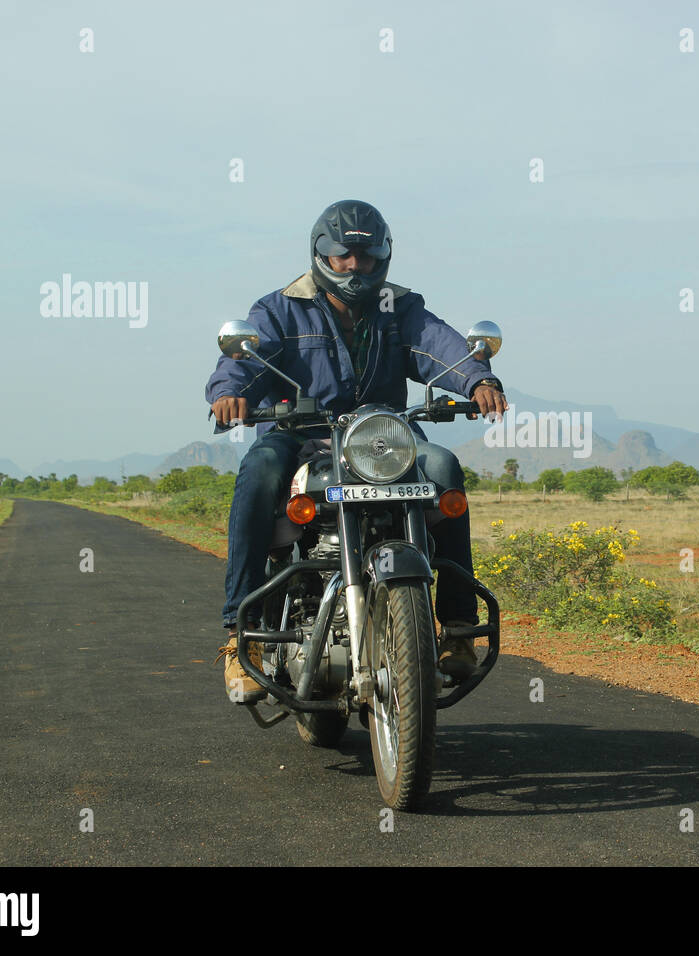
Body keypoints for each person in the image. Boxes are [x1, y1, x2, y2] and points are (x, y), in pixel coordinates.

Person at [205, 199, 507, 704]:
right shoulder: (280, 307)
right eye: (343, 255)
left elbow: (436, 344)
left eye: (365, 258)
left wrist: (476, 377)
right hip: (300, 435)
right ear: (322, 253)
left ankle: (456, 627)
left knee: (445, 467)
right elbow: (244, 361)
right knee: (258, 469)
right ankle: (242, 634)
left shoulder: (399, 307)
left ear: (382, 256)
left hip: (381, 440)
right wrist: (228, 393)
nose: (353, 267)